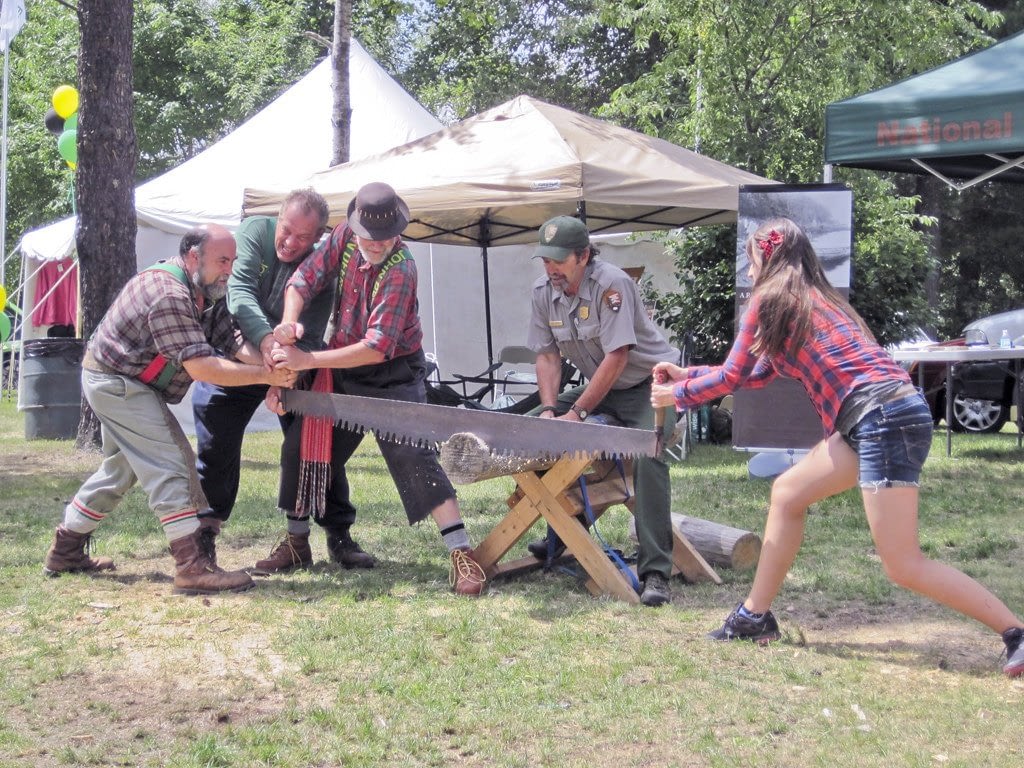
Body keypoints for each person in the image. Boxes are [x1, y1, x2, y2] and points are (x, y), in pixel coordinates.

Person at [650, 217, 1024, 677]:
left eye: (751, 262)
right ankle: (754, 617)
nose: (749, 273)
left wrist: (675, 396)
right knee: (788, 493)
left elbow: (732, 378)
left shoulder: (769, 299)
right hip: (879, 413)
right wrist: (687, 376)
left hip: (880, 417)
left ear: (767, 258)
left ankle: (1016, 633)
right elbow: (756, 371)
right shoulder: (815, 301)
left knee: (902, 564)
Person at [43, 225, 298, 595]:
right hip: (118, 383)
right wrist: (264, 373)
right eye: (222, 260)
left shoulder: (204, 291)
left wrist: (270, 365)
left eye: (233, 261)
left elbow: (230, 339)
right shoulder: (169, 294)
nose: (229, 269)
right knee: (172, 464)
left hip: (124, 382)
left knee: (119, 472)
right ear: (194, 256)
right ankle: (191, 567)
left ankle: (65, 551)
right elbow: (202, 367)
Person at [266, 181, 487, 596]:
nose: (374, 244)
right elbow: (302, 280)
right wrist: (290, 325)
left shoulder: (401, 268)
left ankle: (461, 553)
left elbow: (376, 346)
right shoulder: (345, 236)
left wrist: (308, 360)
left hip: (392, 373)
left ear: (398, 233)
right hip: (343, 368)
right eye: (368, 237)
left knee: (413, 456)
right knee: (304, 444)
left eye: (383, 239)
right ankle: (297, 543)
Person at [191, 189, 375, 572]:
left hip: (288, 364)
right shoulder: (254, 232)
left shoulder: (322, 264)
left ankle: (333, 534)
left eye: (303, 238)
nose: (290, 243)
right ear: (278, 217)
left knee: (316, 442)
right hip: (236, 352)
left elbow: (308, 337)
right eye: (287, 230)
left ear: (319, 236)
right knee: (215, 447)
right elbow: (238, 295)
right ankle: (203, 538)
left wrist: (283, 375)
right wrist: (268, 345)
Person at [525, 215, 680, 607]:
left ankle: (656, 573)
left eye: (558, 260)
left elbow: (618, 356)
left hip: (651, 385)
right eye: (545, 259)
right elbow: (546, 355)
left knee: (649, 455)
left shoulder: (612, 284)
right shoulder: (544, 291)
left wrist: (575, 412)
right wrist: (547, 410)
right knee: (525, 434)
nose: (550, 268)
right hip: (603, 388)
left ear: (583, 256)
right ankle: (564, 531)